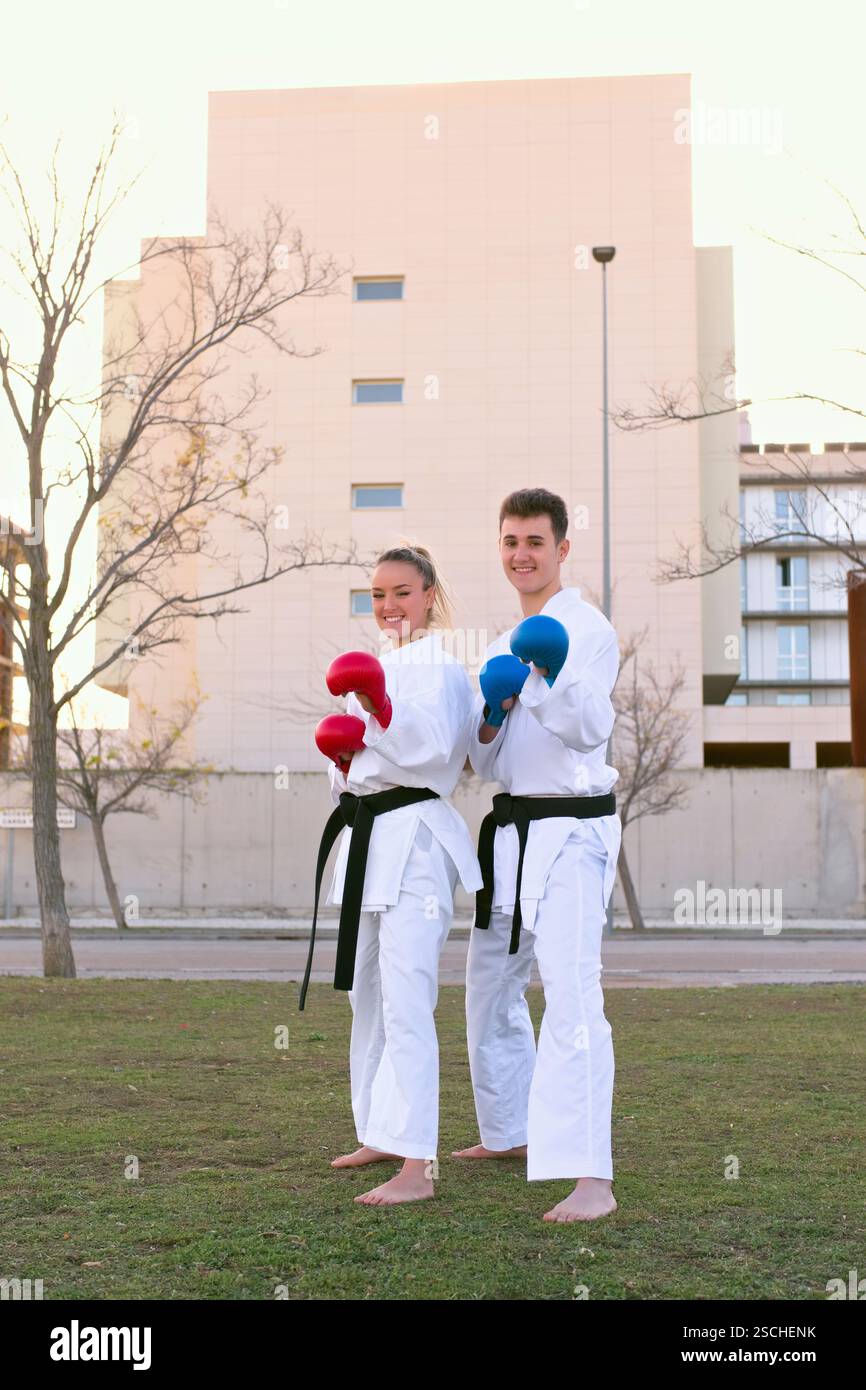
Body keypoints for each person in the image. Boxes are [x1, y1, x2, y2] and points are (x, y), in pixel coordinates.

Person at [453, 488, 622, 1223]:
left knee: (572, 996)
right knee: (491, 986)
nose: (522, 555)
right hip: (513, 832)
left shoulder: (590, 629)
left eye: (535, 542)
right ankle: (510, 1131)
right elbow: (488, 766)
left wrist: (548, 675)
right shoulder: (496, 643)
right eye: (510, 541)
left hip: (574, 834)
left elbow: (588, 729)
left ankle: (592, 1178)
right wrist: (490, 716)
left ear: (562, 549)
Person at [307, 544, 482, 1206]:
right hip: (366, 840)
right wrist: (341, 750)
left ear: (430, 594)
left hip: (414, 841)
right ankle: (380, 1129)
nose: (388, 607)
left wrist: (378, 712)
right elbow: (352, 773)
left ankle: (417, 1163)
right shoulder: (375, 666)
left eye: (402, 593)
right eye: (377, 595)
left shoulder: (440, 668)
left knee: (407, 999)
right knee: (368, 998)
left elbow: (436, 750)